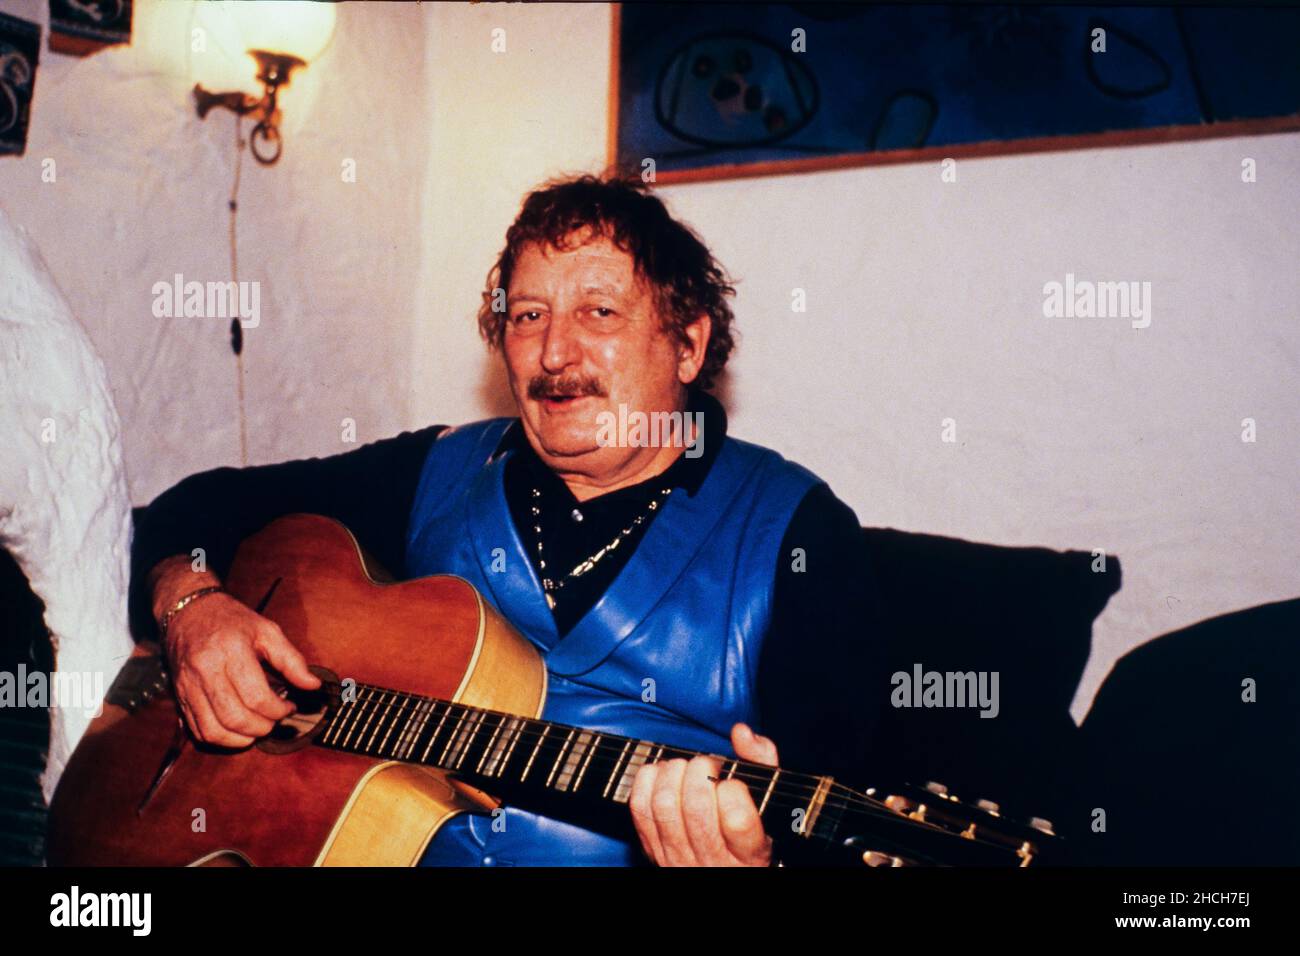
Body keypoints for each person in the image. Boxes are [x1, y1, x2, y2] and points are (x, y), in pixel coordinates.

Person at [132, 173, 884, 866]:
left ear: (688, 343)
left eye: (599, 311)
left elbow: (844, 830)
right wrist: (192, 603)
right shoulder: (436, 473)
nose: (556, 352)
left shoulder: (798, 536)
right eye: (528, 315)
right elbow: (188, 512)